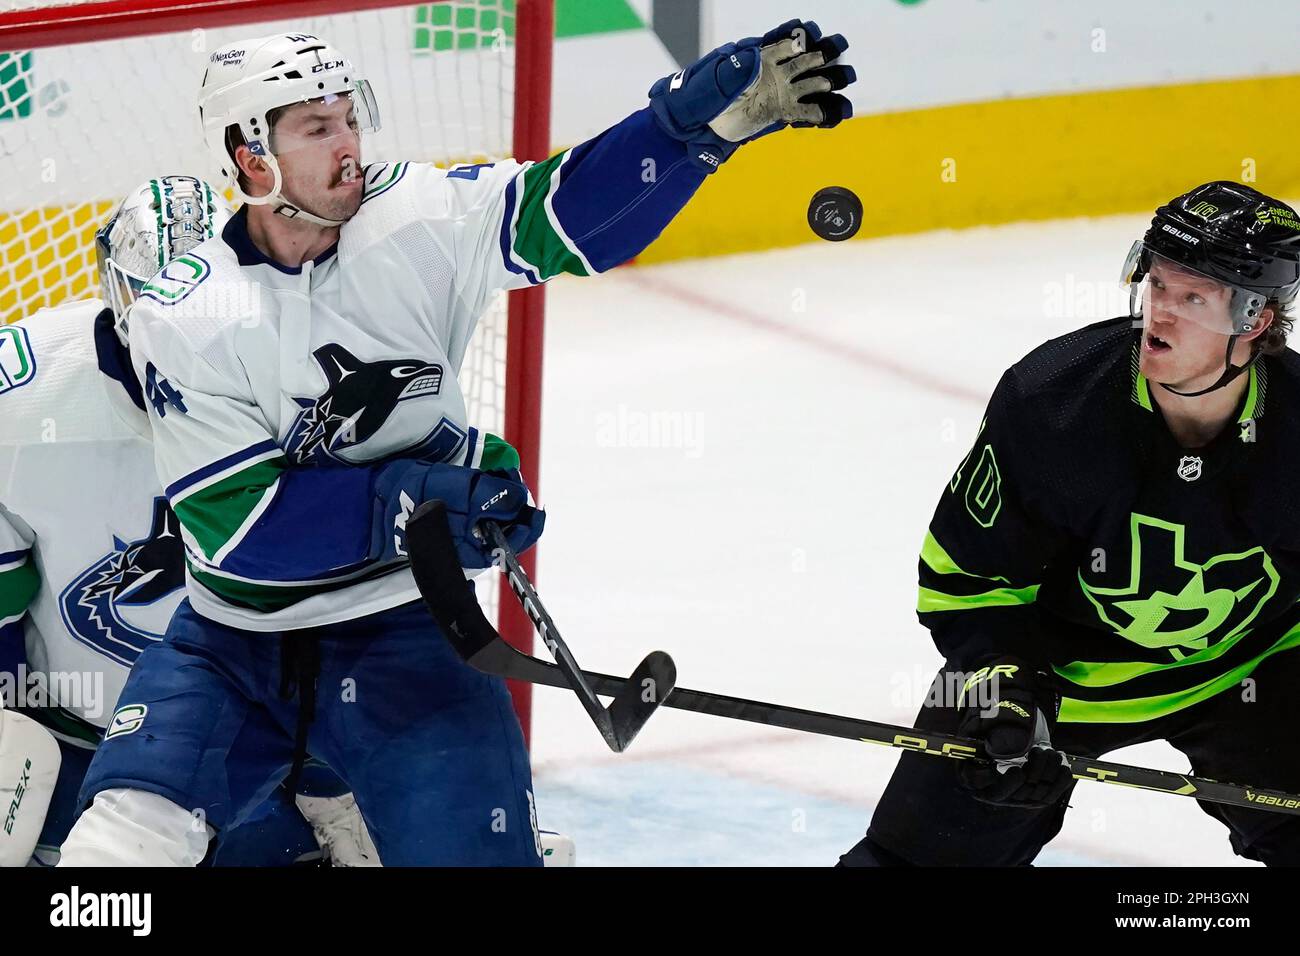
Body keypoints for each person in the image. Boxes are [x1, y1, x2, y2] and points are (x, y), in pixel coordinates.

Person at [58, 20, 856, 865]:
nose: (349, 145)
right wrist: (422, 501)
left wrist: (684, 136)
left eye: (351, 117)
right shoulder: (187, 313)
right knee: (115, 860)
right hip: (233, 652)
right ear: (252, 157)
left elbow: (567, 216)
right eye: (317, 128)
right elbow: (240, 531)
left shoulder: (416, 216)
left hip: (407, 633)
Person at [840, 181, 1300, 867]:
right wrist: (1003, 693)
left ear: (1256, 320)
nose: (1160, 317)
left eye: (1192, 299)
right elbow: (965, 579)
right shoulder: (1055, 401)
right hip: (1055, 681)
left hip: (1246, 671)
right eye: (1158, 289)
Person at [0, 176, 375, 866]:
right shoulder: (20, 393)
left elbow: (341, 595)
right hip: (67, 745)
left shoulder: (309, 392)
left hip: (249, 749)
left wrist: (328, 773)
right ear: (117, 295)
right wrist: (7, 726)